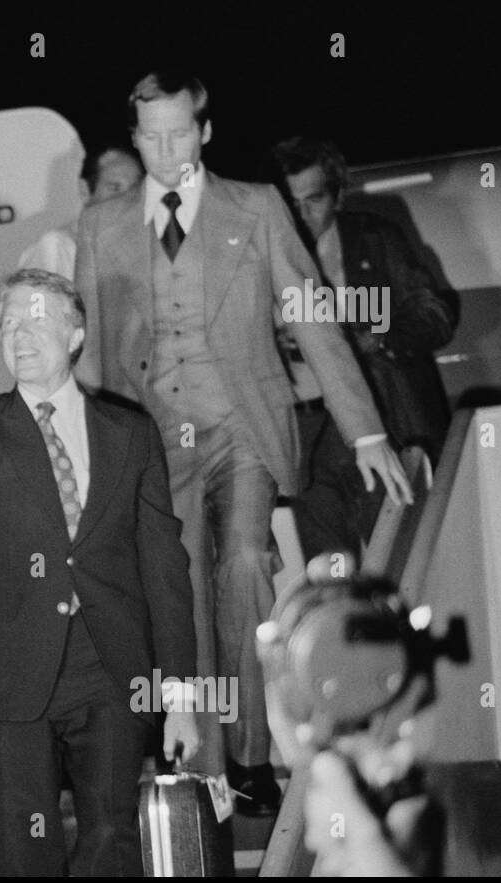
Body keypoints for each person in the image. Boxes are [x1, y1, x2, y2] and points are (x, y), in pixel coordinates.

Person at [74, 71, 413, 816]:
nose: (165, 150)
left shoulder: (256, 208)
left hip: (243, 426)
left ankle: (257, 752)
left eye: (178, 132)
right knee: (181, 594)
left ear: (204, 131)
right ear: (134, 137)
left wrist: (367, 432)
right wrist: (88, 458)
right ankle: (212, 767)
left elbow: (312, 317)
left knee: (244, 566)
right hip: (154, 440)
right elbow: (94, 352)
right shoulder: (100, 226)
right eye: (149, 136)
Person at [0, 267, 199, 875]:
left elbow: (165, 566)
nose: (20, 336)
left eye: (38, 320)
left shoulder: (128, 431)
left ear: (77, 335)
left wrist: (179, 695)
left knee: (112, 837)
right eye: (8, 325)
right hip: (8, 670)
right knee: (19, 850)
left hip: (110, 666)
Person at [274, 136, 457, 560]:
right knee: (328, 569)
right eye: (291, 203)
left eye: (313, 199)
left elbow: (435, 315)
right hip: (306, 438)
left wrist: (374, 339)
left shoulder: (374, 239)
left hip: (382, 422)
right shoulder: (266, 255)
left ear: (337, 197)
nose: (302, 215)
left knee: (397, 554)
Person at [17, 143, 143, 278]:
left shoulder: (145, 243)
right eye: (115, 188)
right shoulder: (56, 248)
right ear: (85, 190)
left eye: (134, 189)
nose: (127, 199)